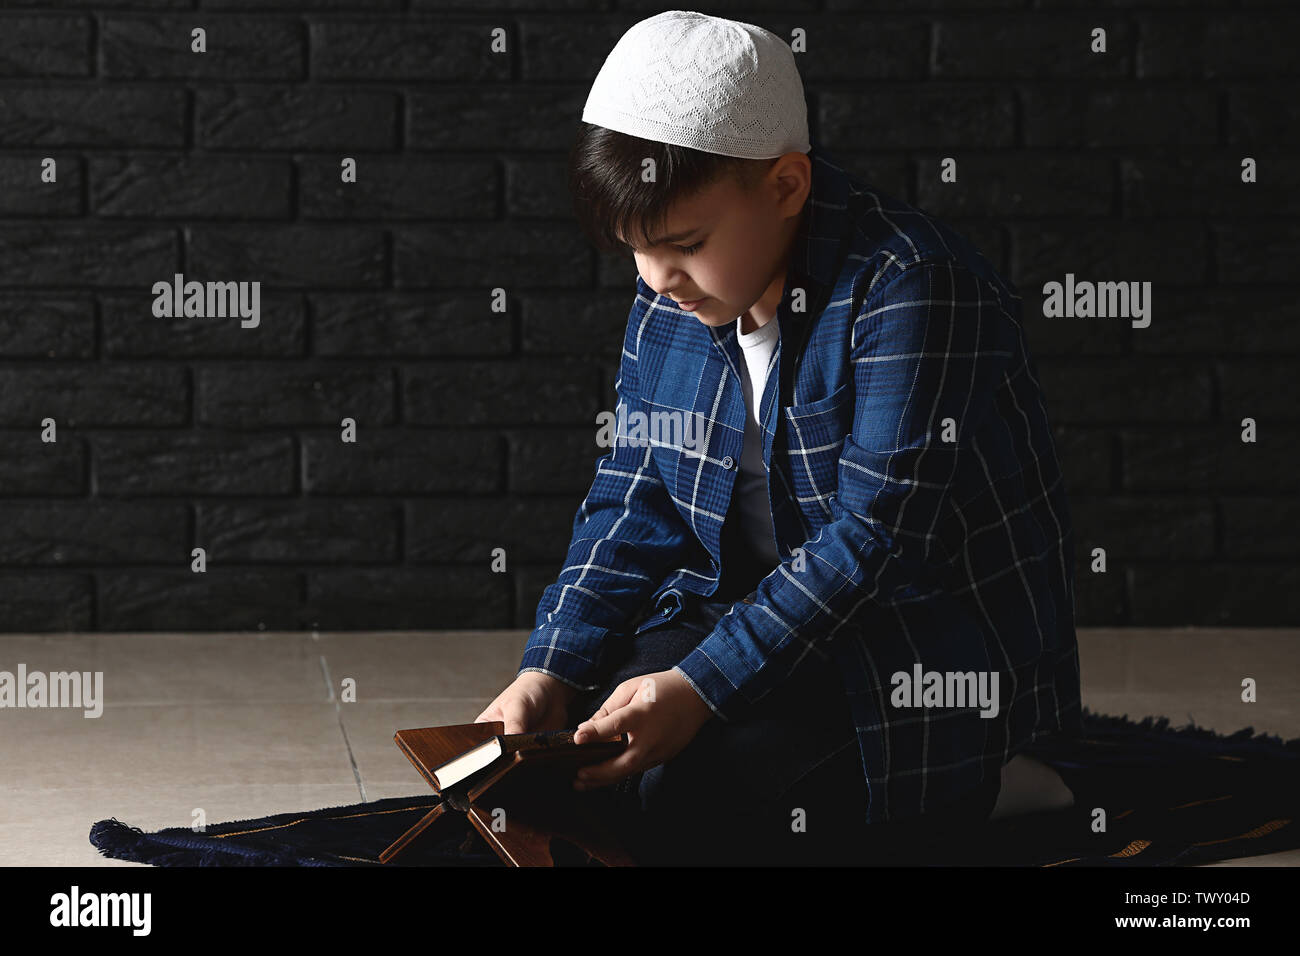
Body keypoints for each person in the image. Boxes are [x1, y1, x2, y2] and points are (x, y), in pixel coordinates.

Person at [477, 10, 1081, 866]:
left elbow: (872, 546)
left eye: (684, 244)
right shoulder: (669, 296)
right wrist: (553, 667)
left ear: (787, 186)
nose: (656, 280)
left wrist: (697, 689)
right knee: (588, 764)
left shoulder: (915, 288)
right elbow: (634, 494)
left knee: (699, 809)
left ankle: (991, 781)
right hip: (740, 607)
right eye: (636, 251)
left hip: (908, 643)